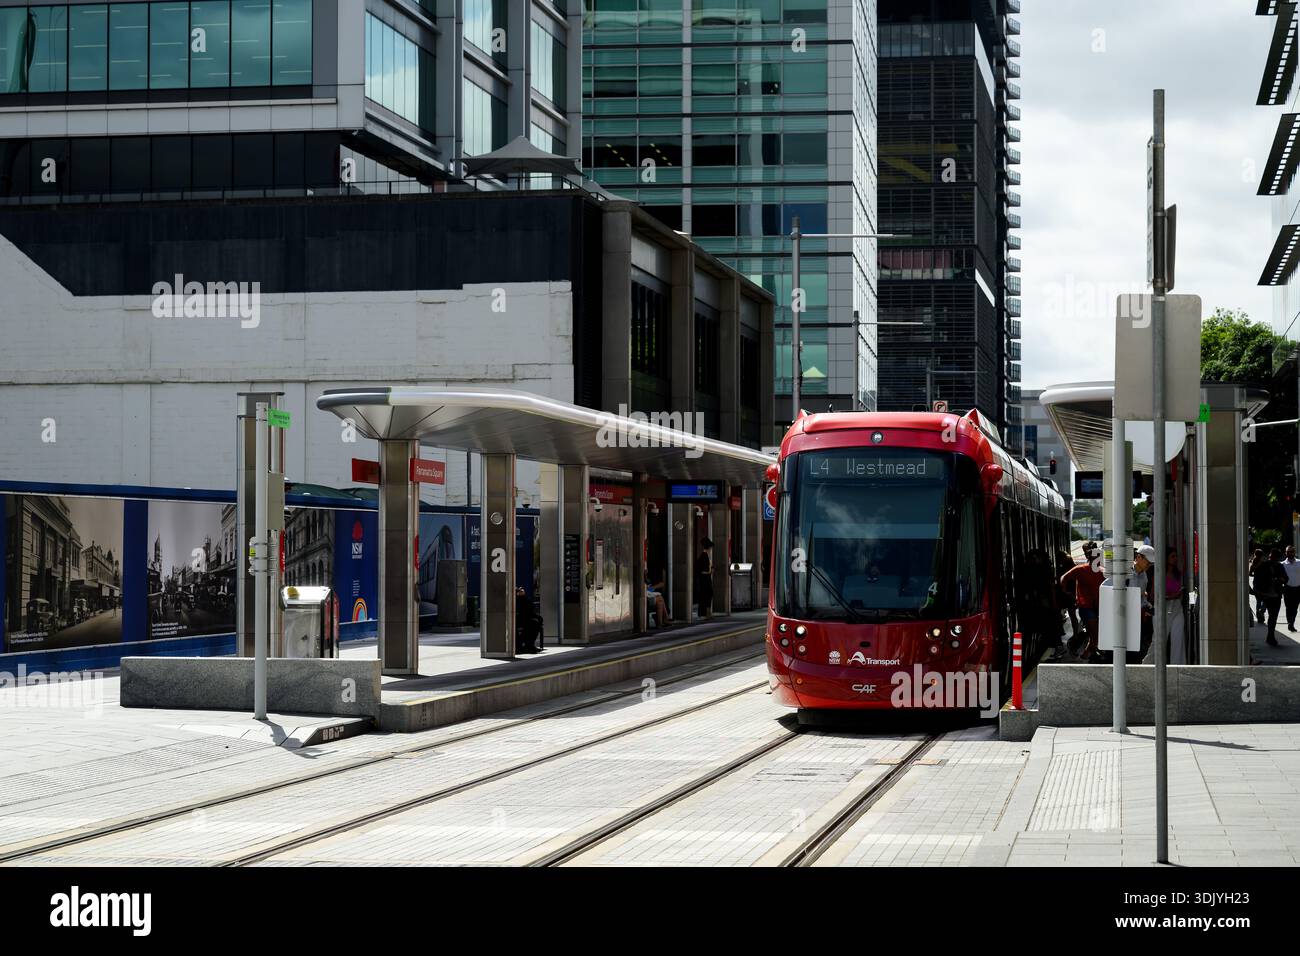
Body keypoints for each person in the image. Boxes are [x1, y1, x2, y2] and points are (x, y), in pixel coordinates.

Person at [1060, 544, 1105, 661]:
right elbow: (1063, 578)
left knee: (1094, 635)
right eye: (1096, 558)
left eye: (1099, 558)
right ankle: (1083, 655)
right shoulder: (1080, 569)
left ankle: (1085, 655)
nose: (1098, 560)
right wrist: (1069, 594)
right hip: (1086, 608)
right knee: (1095, 636)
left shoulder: (1104, 572)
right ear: (1090, 558)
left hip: (1100, 607)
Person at [1254, 548, 1288, 647]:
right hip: (1266, 595)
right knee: (1271, 616)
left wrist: (1281, 579)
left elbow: (1286, 578)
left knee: (1273, 617)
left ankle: (1270, 635)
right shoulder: (1263, 566)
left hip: (1276, 595)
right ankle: (1270, 636)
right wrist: (1259, 593)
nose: (1274, 558)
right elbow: (1256, 579)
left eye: (1276, 557)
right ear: (1270, 556)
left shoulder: (1280, 566)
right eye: (1273, 556)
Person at [514, 586, 544, 654]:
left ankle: (529, 644)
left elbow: (529, 609)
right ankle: (523, 644)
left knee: (536, 622)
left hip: (524, 618)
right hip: (517, 619)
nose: (522, 591)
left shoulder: (525, 600)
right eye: (520, 591)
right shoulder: (515, 600)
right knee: (532, 624)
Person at [695, 537, 715, 620]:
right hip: (705, 579)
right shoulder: (704, 556)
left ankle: (707, 613)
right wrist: (711, 571)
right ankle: (706, 613)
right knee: (706, 595)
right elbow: (705, 569)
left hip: (705, 578)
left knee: (706, 595)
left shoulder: (704, 555)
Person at [1282, 545, 1300, 632]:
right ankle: (1290, 623)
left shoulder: (1299, 563)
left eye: (1292, 551)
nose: (1290, 553)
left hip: (1298, 589)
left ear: (1294, 552)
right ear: (1285, 553)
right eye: (1288, 552)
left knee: (1295, 608)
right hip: (1287, 589)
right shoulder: (1282, 564)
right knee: (1288, 607)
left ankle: (1291, 622)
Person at [1248, 549, 1267, 625]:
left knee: (1258, 600)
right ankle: (1262, 610)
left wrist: (1256, 575)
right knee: (1265, 599)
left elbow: (1250, 574)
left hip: (1256, 583)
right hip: (1264, 583)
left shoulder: (1253, 564)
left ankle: (1259, 617)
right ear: (1262, 555)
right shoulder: (1264, 563)